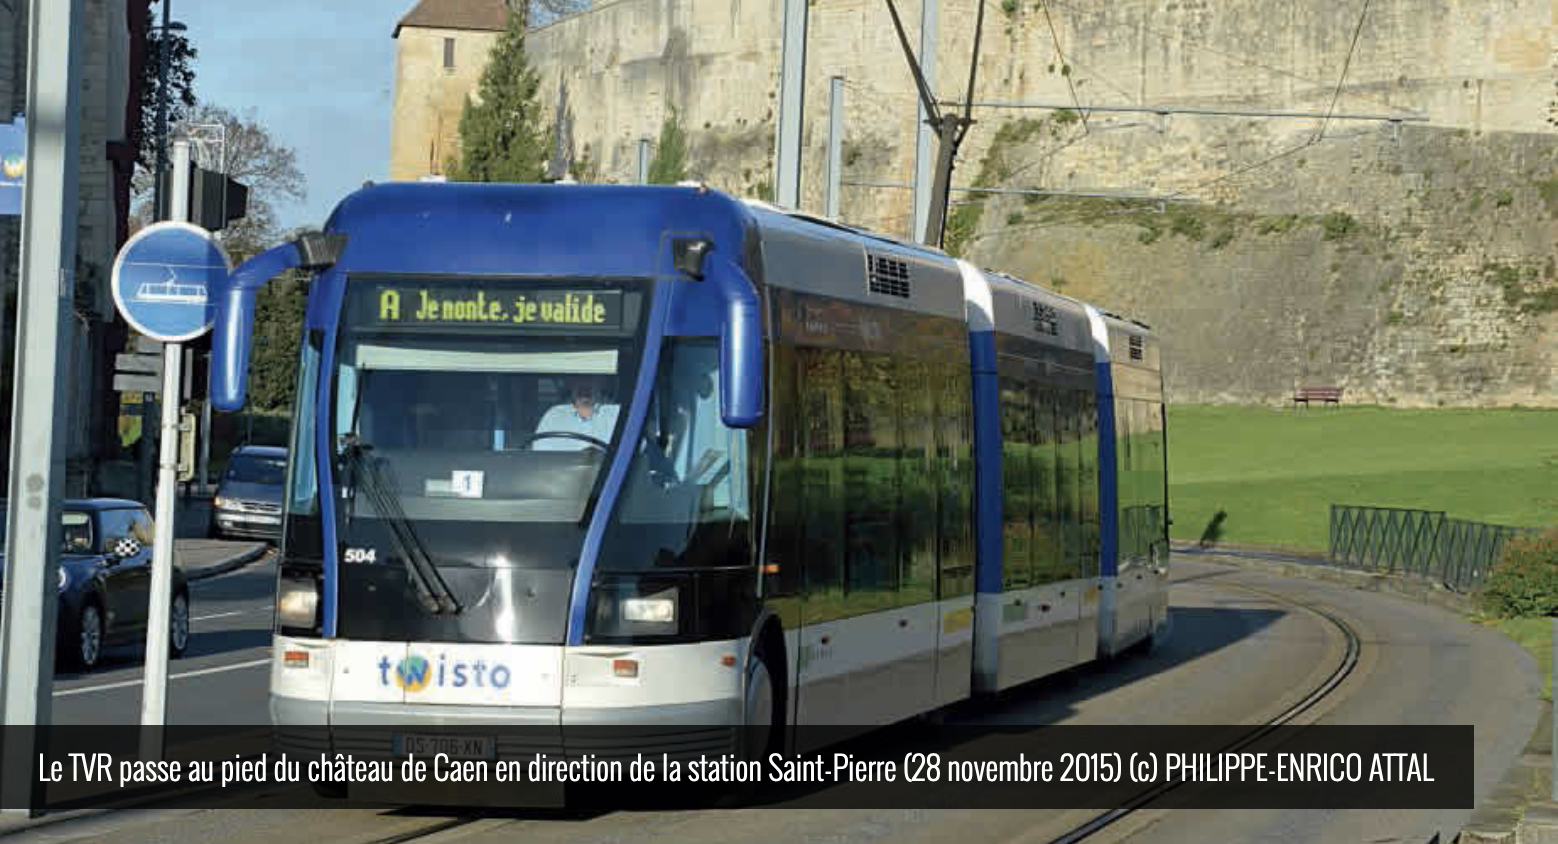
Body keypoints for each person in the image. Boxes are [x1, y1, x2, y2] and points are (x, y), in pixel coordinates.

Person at [533, 374, 620, 451]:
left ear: (601, 380)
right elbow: (540, 454)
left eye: (590, 377)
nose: (584, 384)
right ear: (569, 382)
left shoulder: (616, 413)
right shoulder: (554, 415)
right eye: (578, 378)